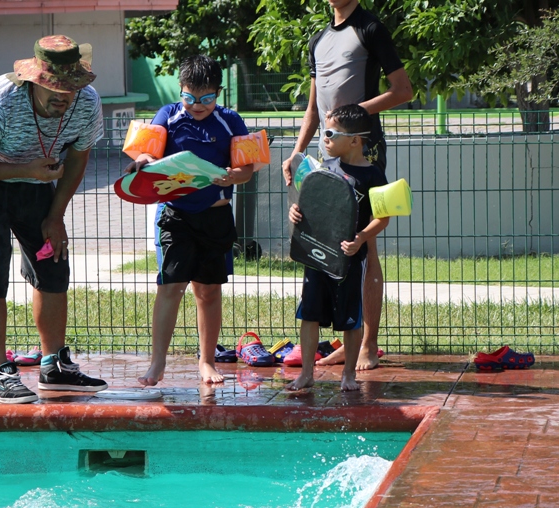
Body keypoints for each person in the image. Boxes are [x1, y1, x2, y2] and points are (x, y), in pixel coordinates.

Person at [0, 36, 108, 404]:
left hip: (35, 179)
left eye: (71, 88)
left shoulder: (87, 104)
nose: (64, 98)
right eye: (54, 88)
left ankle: (54, 367)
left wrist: (56, 215)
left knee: (53, 264)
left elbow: (78, 159)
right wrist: (26, 169)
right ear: (34, 80)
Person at [282, 0, 413, 371]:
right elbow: (313, 110)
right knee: (333, 246)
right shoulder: (318, 40)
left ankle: (368, 345)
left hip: (360, 149)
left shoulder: (371, 29)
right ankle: (348, 339)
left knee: (365, 244)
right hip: (329, 153)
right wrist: (296, 152)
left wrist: (350, 121)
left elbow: (403, 90)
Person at [126, 56, 255, 387]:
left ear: (219, 93)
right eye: (190, 97)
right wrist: (143, 161)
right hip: (175, 214)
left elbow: (247, 169)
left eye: (207, 98)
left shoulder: (231, 121)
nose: (198, 105)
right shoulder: (167, 116)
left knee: (208, 291)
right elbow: (149, 155)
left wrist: (231, 177)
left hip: (215, 213)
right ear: (180, 91)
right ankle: (157, 363)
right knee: (170, 286)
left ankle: (207, 361)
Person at [285, 104, 390, 393]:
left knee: (350, 317)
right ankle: (306, 374)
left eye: (331, 133)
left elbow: (383, 217)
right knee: (310, 313)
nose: (325, 138)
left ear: (355, 140)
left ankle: (348, 375)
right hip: (317, 256)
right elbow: (305, 202)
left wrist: (360, 239)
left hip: (349, 259)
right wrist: (296, 211)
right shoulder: (321, 168)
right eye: (324, 132)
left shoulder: (372, 176)